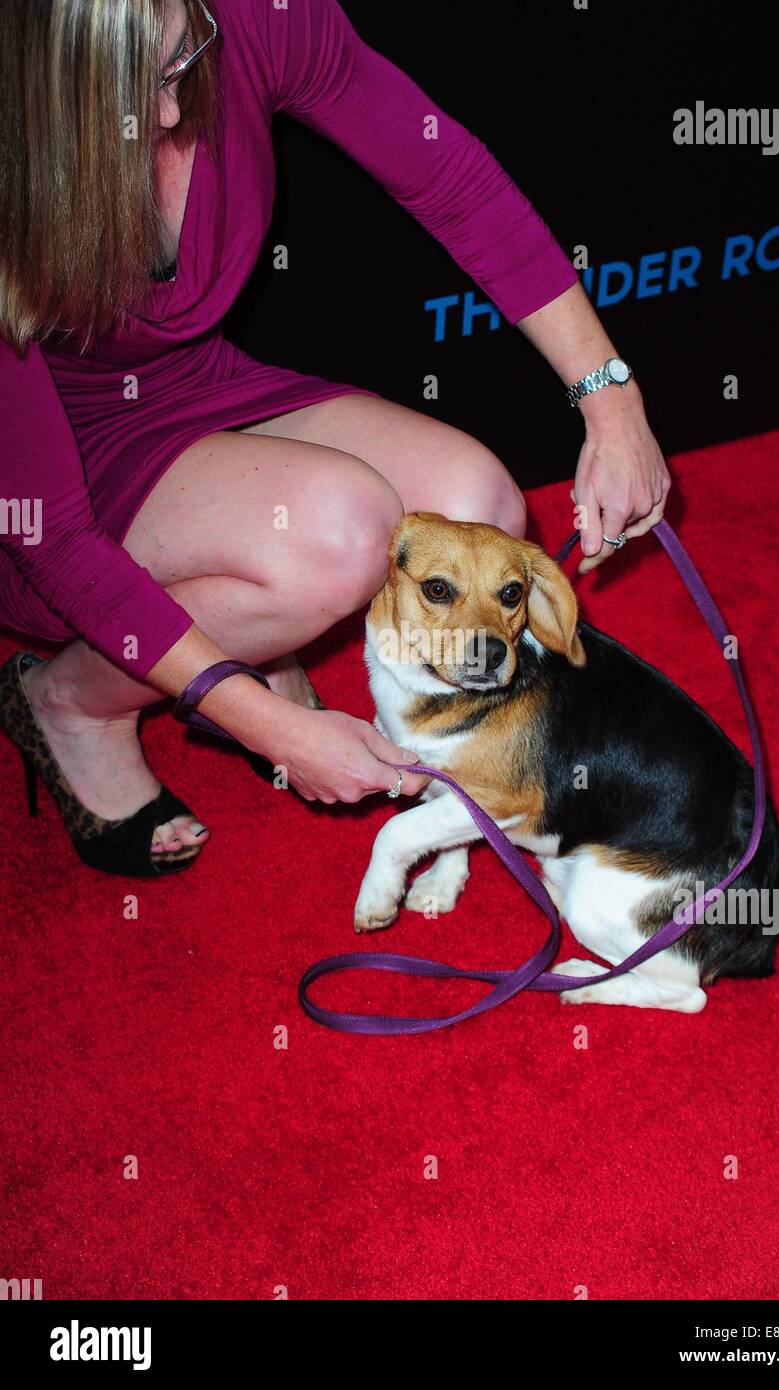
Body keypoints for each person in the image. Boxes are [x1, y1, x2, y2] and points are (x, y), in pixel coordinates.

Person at [0, 0, 670, 877]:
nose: (170, 112)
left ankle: (257, 635)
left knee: (477, 510)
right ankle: (69, 701)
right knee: (342, 542)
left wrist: (610, 399)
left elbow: (448, 177)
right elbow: (52, 536)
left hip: (193, 381)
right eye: (131, 89)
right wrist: (275, 728)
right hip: (51, 461)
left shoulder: (250, 16)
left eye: (179, 60)